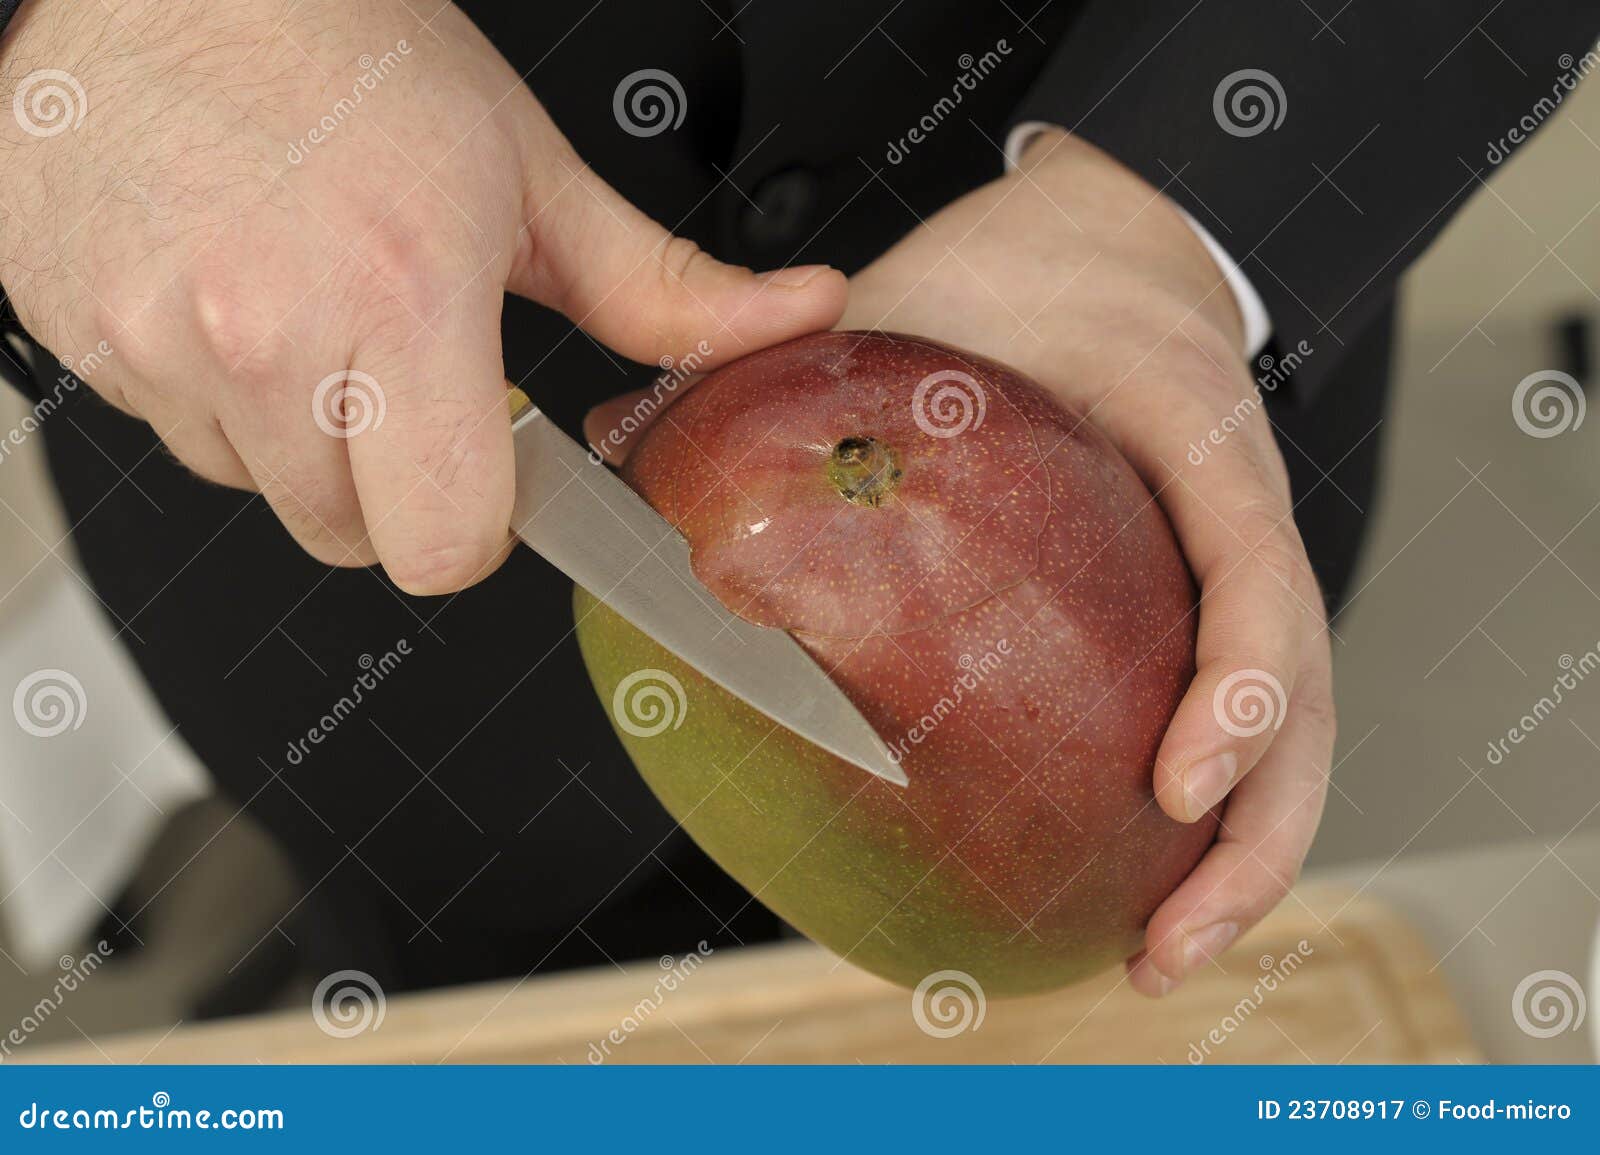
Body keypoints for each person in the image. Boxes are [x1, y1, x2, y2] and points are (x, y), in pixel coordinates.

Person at [0, 0, 1593, 1004]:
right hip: (362, 559)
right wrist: (85, 48)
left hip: (1134, 391)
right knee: (456, 992)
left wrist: (1166, 212)